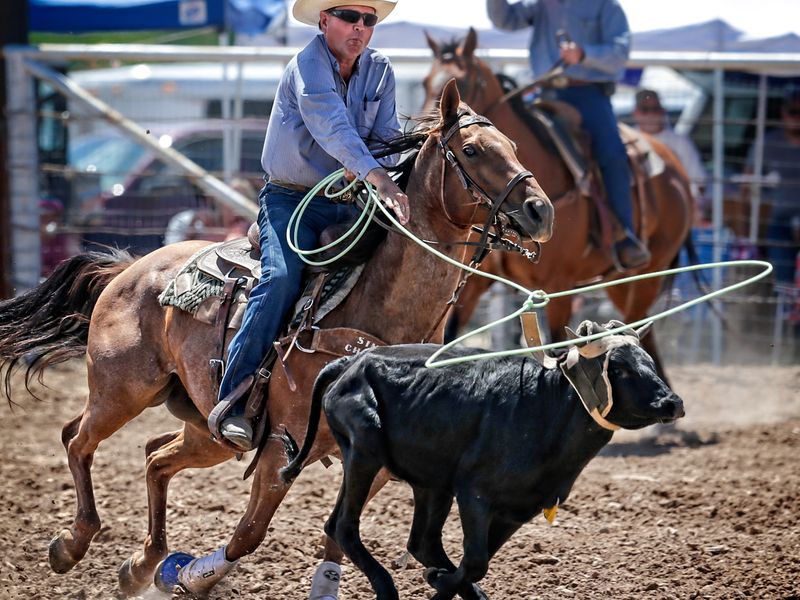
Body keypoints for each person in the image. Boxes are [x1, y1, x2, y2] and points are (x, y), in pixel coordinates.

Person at [214, 0, 409, 451]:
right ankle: (235, 399)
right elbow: (332, 126)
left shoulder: (380, 71)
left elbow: (387, 138)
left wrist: (378, 168)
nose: (359, 27)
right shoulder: (307, 65)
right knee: (281, 279)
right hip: (291, 198)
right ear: (324, 21)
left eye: (368, 19)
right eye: (348, 16)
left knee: (400, 269)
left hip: (350, 200)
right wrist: (372, 172)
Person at [487, 0, 650, 270]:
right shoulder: (541, 4)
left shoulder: (605, 5)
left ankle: (625, 234)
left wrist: (585, 53)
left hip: (588, 97)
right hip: (543, 94)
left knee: (613, 155)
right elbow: (505, 19)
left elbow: (620, 52)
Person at [745, 87, 800, 287]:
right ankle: (784, 311)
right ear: (783, 113)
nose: (797, 118)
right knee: (782, 270)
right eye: (793, 112)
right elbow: (748, 180)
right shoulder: (767, 143)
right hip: (780, 220)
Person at [633, 88, 708, 221]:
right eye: (645, 110)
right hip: (638, 210)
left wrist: (693, 207)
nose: (650, 114)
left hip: (673, 208)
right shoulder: (628, 141)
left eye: (655, 109)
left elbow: (698, 181)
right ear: (636, 113)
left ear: (663, 111)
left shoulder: (680, 142)